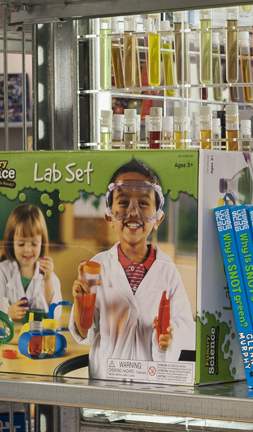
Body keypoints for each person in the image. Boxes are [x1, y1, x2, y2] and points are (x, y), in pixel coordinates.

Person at [69, 158, 194, 379]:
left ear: (158, 218)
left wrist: (169, 336)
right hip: (106, 380)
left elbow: (185, 326)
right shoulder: (98, 267)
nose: (133, 212)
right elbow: (83, 332)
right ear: (109, 217)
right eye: (123, 202)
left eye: (143, 203)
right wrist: (80, 302)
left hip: (152, 382)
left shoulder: (167, 270)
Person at [0, 204, 61, 321]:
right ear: (11, 242)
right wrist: (7, 312)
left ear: (42, 242)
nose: (27, 249)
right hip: (9, 331)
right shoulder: (3, 270)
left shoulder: (49, 276)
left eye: (34, 243)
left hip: (37, 331)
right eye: (21, 244)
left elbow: (55, 313)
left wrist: (47, 280)